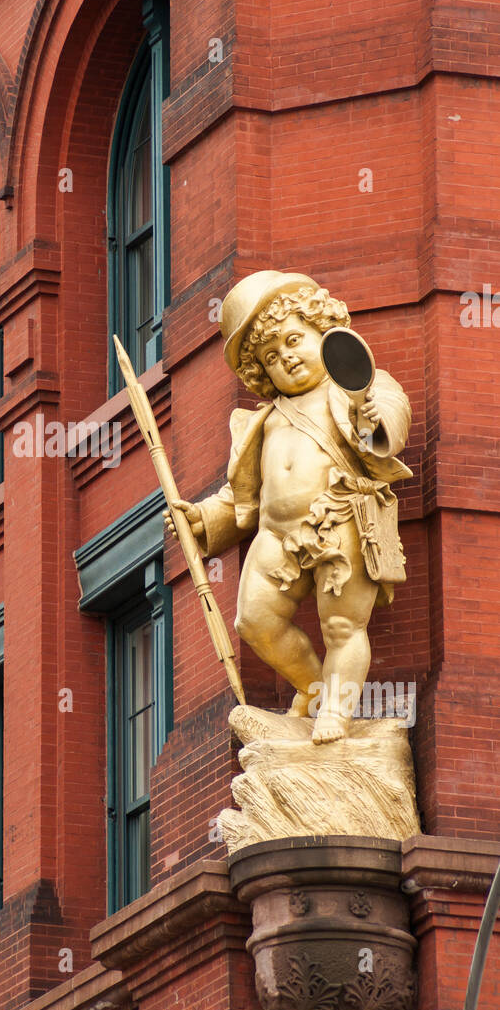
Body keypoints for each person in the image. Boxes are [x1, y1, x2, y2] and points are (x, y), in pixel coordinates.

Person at [165, 271, 411, 743]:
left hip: (342, 520)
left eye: (294, 340)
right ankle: (314, 688)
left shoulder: (359, 388)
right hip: (275, 536)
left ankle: (336, 714)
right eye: (271, 357)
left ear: (324, 330)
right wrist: (206, 519)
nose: (288, 359)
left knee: (342, 625)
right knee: (253, 621)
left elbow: (389, 426)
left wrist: (376, 416)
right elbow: (245, 495)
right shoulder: (262, 422)